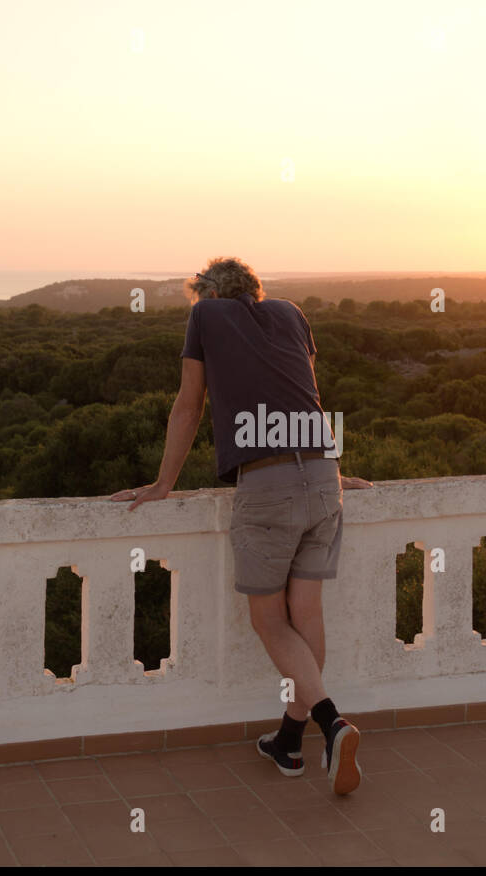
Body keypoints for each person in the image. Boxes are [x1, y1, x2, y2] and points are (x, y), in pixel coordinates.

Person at [111, 256, 372, 795]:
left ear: (207, 293)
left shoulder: (206, 316)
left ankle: (333, 723)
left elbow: (188, 405)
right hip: (323, 479)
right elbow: (308, 397)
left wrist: (164, 483)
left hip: (267, 484)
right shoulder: (292, 313)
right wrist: (335, 470)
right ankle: (289, 740)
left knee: (270, 621)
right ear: (254, 290)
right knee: (308, 615)